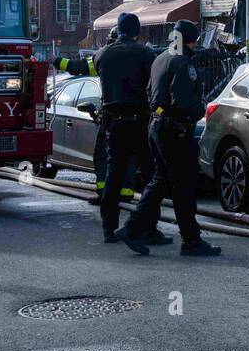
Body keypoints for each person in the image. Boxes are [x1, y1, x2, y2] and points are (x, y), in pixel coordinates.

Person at [54, 14, 170, 245]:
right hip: (139, 123)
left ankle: (109, 229)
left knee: (114, 177)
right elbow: (156, 85)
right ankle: (148, 229)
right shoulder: (145, 53)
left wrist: (58, 62)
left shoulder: (102, 55)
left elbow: (81, 68)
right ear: (137, 32)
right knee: (150, 177)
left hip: (113, 124)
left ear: (118, 30)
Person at [116, 19, 221, 257]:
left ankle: (137, 229)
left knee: (162, 181)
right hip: (176, 130)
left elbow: (150, 92)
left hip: (158, 127)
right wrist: (199, 108)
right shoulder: (184, 64)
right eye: (194, 40)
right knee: (182, 185)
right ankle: (187, 240)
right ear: (189, 40)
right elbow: (182, 101)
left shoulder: (160, 59)